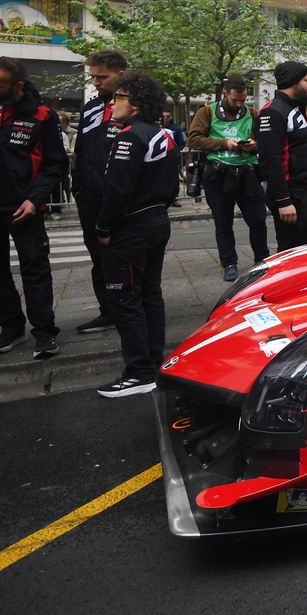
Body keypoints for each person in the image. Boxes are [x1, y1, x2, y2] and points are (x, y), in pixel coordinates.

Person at [94, 73, 181, 398]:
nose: (113, 102)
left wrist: (103, 228)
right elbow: (173, 186)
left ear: (136, 103)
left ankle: (139, 371)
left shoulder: (130, 137)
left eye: (119, 97)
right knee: (149, 293)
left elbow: (116, 190)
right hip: (157, 220)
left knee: (124, 299)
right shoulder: (164, 135)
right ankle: (153, 364)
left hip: (131, 226)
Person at [0, 57, 68, 358]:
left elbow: (55, 164)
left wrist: (35, 199)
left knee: (35, 270)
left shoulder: (42, 115)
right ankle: (11, 328)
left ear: (17, 86)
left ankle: (44, 333)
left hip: (24, 207)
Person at [186, 75, 270, 281]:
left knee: (258, 220)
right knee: (223, 222)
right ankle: (229, 263)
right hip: (218, 174)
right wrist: (224, 144)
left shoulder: (252, 113)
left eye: (243, 100)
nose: (239, 104)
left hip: (248, 174)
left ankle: (262, 260)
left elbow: (265, 139)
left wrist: (255, 145)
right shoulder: (207, 112)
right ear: (225, 94)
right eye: (235, 100)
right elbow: (194, 139)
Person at [73, 49, 127, 334]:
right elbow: (81, 151)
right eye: (92, 76)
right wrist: (78, 188)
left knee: (122, 258)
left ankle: (128, 308)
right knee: (98, 258)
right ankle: (107, 310)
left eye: (101, 77)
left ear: (120, 75)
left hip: (119, 199)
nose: (95, 82)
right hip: (89, 197)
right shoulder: (91, 107)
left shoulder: (133, 106)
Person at [256, 61, 307, 252]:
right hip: (294, 194)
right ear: (293, 83)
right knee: (296, 253)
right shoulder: (272, 112)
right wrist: (283, 200)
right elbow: (270, 160)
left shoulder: (298, 109)